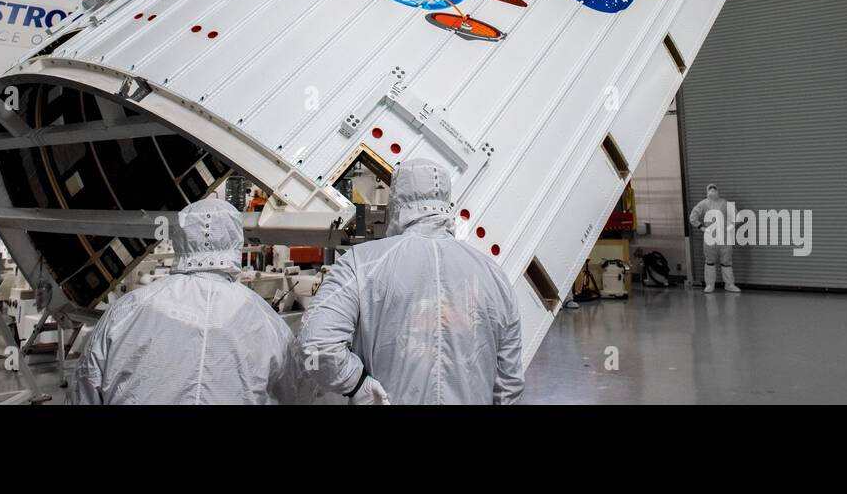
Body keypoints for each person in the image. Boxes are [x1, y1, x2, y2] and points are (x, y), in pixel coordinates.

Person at [298, 158, 524, 405]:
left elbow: (315, 347)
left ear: (395, 201)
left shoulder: (361, 264)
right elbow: (509, 382)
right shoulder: (493, 275)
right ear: (448, 203)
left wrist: (358, 385)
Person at [70, 197, 307, 405]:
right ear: (236, 240)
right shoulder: (264, 318)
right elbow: (296, 392)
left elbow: (85, 387)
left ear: (180, 236)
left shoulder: (127, 309)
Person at [689, 183, 741, 294]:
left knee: (726, 261)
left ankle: (729, 284)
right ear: (707, 191)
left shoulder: (725, 203)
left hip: (724, 236)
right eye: (710, 189)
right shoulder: (703, 204)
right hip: (710, 236)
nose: (712, 190)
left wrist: (731, 226)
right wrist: (702, 228)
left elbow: (737, 215)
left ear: (718, 191)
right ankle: (710, 285)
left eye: (714, 189)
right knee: (710, 261)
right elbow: (693, 217)